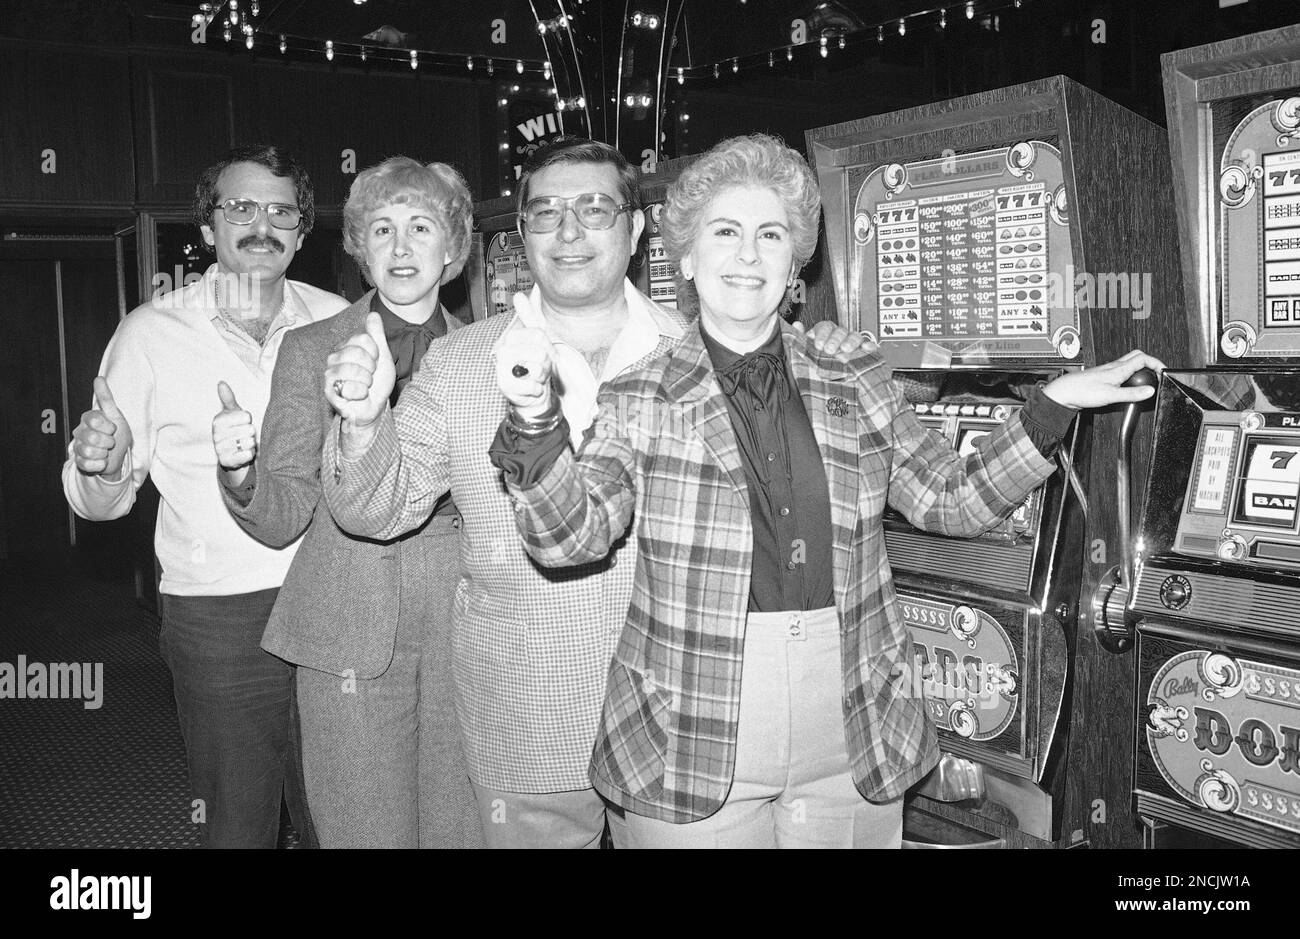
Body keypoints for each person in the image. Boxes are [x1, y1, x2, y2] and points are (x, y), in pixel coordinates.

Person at [488, 133, 1166, 848]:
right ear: (686, 258)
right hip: (686, 722)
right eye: (725, 232)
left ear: (793, 268)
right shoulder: (639, 391)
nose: (747, 254)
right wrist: (534, 422)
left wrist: (1053, 405)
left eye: (770, 234)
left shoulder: (854, 372)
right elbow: (571, 539)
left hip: (850, 721)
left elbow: (952, 497)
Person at [320, 137, 861, 848]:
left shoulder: (709, 355)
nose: (569, 232)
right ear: (520, 237)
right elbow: (374, 508)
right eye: (545, 214)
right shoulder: (458, 364)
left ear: (637, 231)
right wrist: (362, 425)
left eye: (596, 209)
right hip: (528, 719)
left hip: (689, 722)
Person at [62, 144, 347, 848]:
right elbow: (99, 502)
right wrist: (100, 464)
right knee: (238, 820)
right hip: (217, 616)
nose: (262, 223)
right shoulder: (150, 333)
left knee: (342, 815)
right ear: (208, 227)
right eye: (241, 207)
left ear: (304, 230)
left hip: (337, 600)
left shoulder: (342, 320)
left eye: (282, 210)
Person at [214, 156, 483, 848]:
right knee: (365, 830)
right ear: (360, 248)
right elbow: (282, 510)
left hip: (466, 626)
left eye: (421, 227)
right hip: (347, 631)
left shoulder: (490, 352)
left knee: (461, 832)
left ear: (452, 248)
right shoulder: (312, 349)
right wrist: (240, 470)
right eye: (382, 229)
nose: (400, 247)